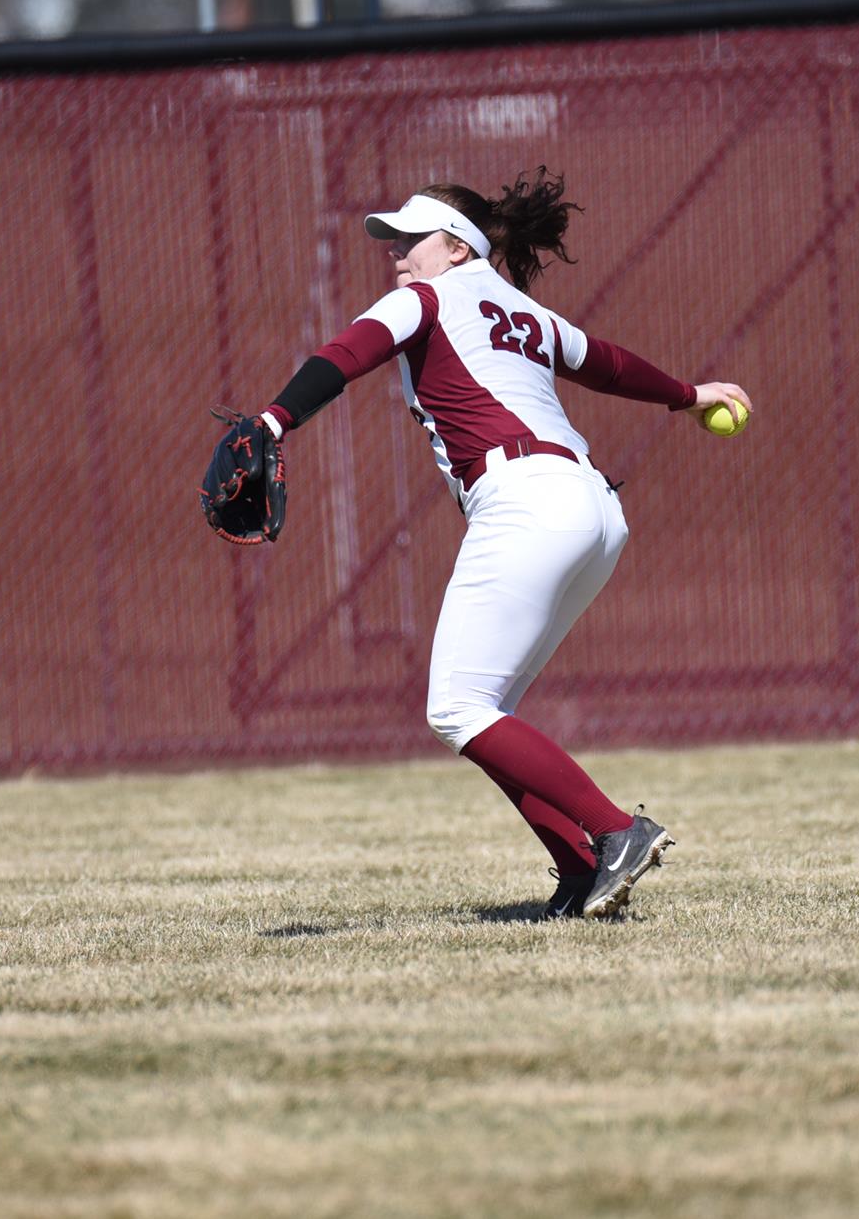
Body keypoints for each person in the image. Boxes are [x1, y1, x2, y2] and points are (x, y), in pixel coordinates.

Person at [251, 169, 751, 919]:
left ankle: (618, 831)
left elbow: (347, 354)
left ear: (455, 248)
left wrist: (272, 421)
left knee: (457, 708)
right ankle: (583, 869)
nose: (395, 256)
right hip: (592, 508)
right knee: (488, 708)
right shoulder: (524, 311)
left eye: (408, 240)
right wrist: (687, 394)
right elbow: (607, 362)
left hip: (523, 499)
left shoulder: (424, 299)